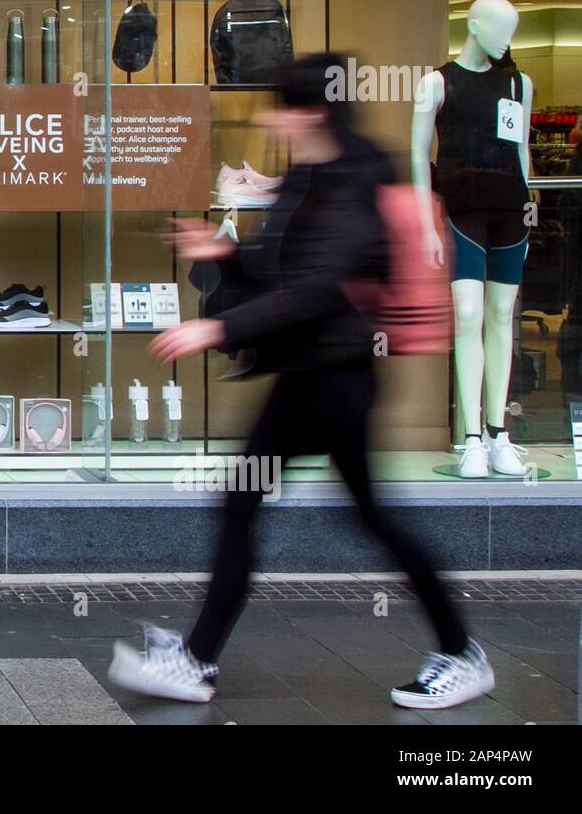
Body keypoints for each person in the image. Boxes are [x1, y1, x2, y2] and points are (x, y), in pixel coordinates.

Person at [108, 54, 494, 711]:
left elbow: (318, 289)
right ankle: (199, 657)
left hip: (334, 380)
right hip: (311, 375)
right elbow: (276, 266)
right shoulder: (309, 174)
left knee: (279, 506)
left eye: (281, 109)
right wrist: (223, 252)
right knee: (317, 510)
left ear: (311, 113)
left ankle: (200, 659)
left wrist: (216, 329)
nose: (270, 120)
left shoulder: (352, 183)